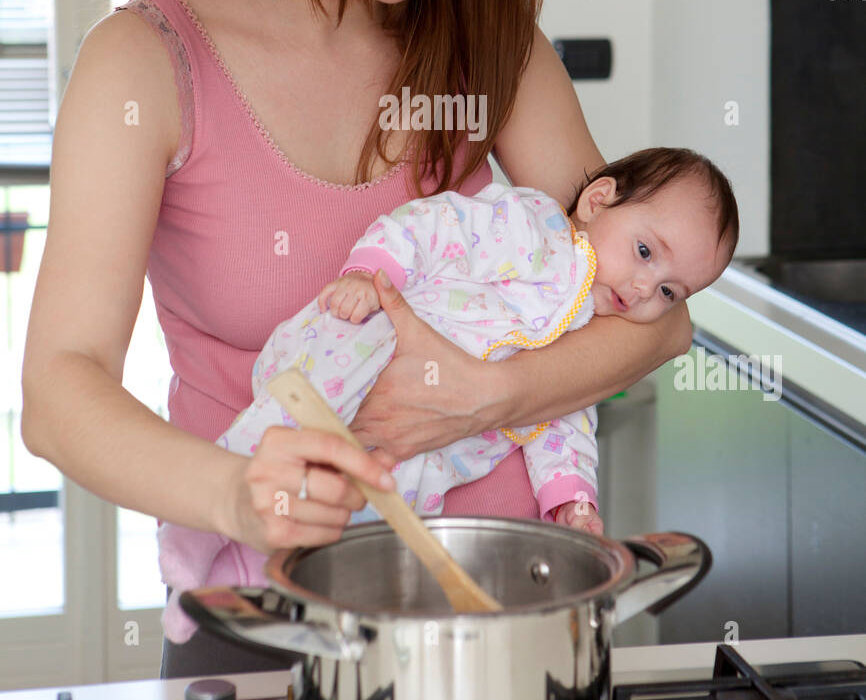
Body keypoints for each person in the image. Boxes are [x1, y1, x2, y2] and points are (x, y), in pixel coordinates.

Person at [21, 0, 693, 678]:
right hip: (277, 606)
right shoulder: (144, 62)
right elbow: (58, 394)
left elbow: (661, 315)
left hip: (503, 605)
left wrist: (494, 393)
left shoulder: (492, 47)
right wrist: (234, 492)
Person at [159, 145, 735, 643]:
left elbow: (561, 419)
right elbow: (433, 227)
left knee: (348, 514)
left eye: (668, 289)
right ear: (598, 199)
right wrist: (370, 272)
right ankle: (193, 530)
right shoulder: (532, 228)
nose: (641, 290)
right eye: (643, 252)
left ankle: (233, 579)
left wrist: (572, 499)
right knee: (288, 433)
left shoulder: (588, 336)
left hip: (427, 452)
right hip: (372, 342)